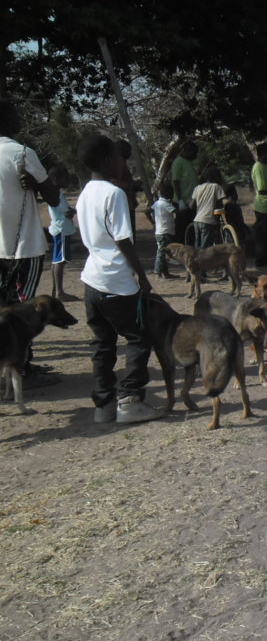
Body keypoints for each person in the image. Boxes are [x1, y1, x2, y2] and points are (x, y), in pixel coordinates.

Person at [76, 133, 165, 424]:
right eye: (118, 157)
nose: (122, 163)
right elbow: (124, 241)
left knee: (103, 344)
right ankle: (129, 399)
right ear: (106, 160)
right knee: (140, 336)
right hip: (116, 280)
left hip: (92, 279)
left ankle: (104, 406)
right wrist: (141, 276)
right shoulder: (113, 194)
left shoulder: (85, 192)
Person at [0, 99, 61, 387]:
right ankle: (23, 369)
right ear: (10, 121)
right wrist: (36, 184)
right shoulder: (22, 153)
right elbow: (54, 198)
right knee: (25, 311)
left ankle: (13, 369)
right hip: (24, 246)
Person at [46, 164, 78, 301]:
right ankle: (60, 292)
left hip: (59, 229)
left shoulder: (54, 193)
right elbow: (67, 212)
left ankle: (56, 291)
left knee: (56, 260)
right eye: (65, 178)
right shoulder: (56, 195)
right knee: (60, 260)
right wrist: (76, 210)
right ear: (56, 179)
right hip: (62, 230)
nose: (67, 181)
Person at [250, 141, 267, 268]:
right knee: (263, 236)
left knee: (266, 236)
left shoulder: (264, 167)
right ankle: (260, 262)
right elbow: (262, 189)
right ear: (263, 155)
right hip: (263, 207)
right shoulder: (259, 168)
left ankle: (264, 261)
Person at [191, 166, 228, 250]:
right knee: (205, 249)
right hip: (209, 221)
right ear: (215, 177)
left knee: (197, 247)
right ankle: (203, 263)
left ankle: (197, 262)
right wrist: (218, 219)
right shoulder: (216, 187)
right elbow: (219, 206)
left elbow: (191, 205)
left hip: (197, 220)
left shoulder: (197, 188)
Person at [170, 140, 199, 242]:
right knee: (181, 229)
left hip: (191, 202)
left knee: (190, 229)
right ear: (188, 151)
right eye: (194, 153)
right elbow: (176, 181)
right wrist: (180, 200)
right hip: (181, 202)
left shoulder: (189, 162)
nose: (195, 155)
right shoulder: (178, 162)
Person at [113, 139, 140, 238]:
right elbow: (116, 182)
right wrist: (132, 185)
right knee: (128, 234)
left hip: (127, 202)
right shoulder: (118, 163)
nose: (130, 153)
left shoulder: (121, 163)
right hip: (125, 204)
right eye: (128, 150)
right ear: (122, 150)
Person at [151, 181, 176, 278]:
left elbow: (149, 210)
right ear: (169, 194)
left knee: (163, 252)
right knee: (161, 253)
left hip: (159, 231)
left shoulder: (157, 203)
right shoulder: (166, 204)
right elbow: (176, 212)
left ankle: (165, 272)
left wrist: (153, 221)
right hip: (165, 232)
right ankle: (157, 270)